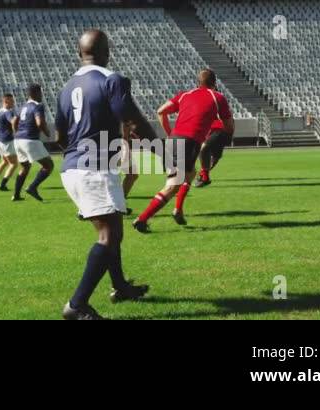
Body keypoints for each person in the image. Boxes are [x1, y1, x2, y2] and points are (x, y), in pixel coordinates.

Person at [56, 29, 158, 320]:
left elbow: (60, 135)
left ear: (80, 53)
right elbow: (132, 119)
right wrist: (162, 152)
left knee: (114, 231)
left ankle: (121, 287)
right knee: (109, 235)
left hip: (72, 168)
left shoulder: (66, 87)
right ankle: (76, 306)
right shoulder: (112, 80)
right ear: (107, 52)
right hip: (94, 169)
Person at [133, 69, 234, 232]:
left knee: (191, 174)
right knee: (173, 185)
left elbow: (161, 111)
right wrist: (224, 134)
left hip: (176, 140)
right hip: (190, 142)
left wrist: (169, 133)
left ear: (197, 82)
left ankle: (178, 209)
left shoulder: (184, 95)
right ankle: (142, 219)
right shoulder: (218, 97)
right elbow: (229, 126)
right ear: (215, 83)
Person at [11, 84, 54, 202]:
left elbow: (14, 122)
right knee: (48, 165)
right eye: (40, 93)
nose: (42, 95)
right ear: (35, 93)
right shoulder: (38, 106)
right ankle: (32, 187)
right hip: (30, 140)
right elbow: (39, 123)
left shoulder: (23, 106)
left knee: (25, 167)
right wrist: (47, 132)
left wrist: (17, 134)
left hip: (18, 140)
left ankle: (16, 195)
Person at [0, 94, 18, 191]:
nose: (13, 103)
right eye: (11, 101)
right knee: (14, 163)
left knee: (5, 161)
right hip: (6, 141)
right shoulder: (7, 112)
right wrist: (16, 131)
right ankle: (3, 185)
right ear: (6, 101)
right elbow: (13, 121)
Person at [195, 118, 235, 188]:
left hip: (221, 130)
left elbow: (230, 119)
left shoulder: (219, 108)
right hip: (218, 131)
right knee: (214, 156)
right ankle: (204, 175)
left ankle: (204, 176)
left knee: (205, 150)